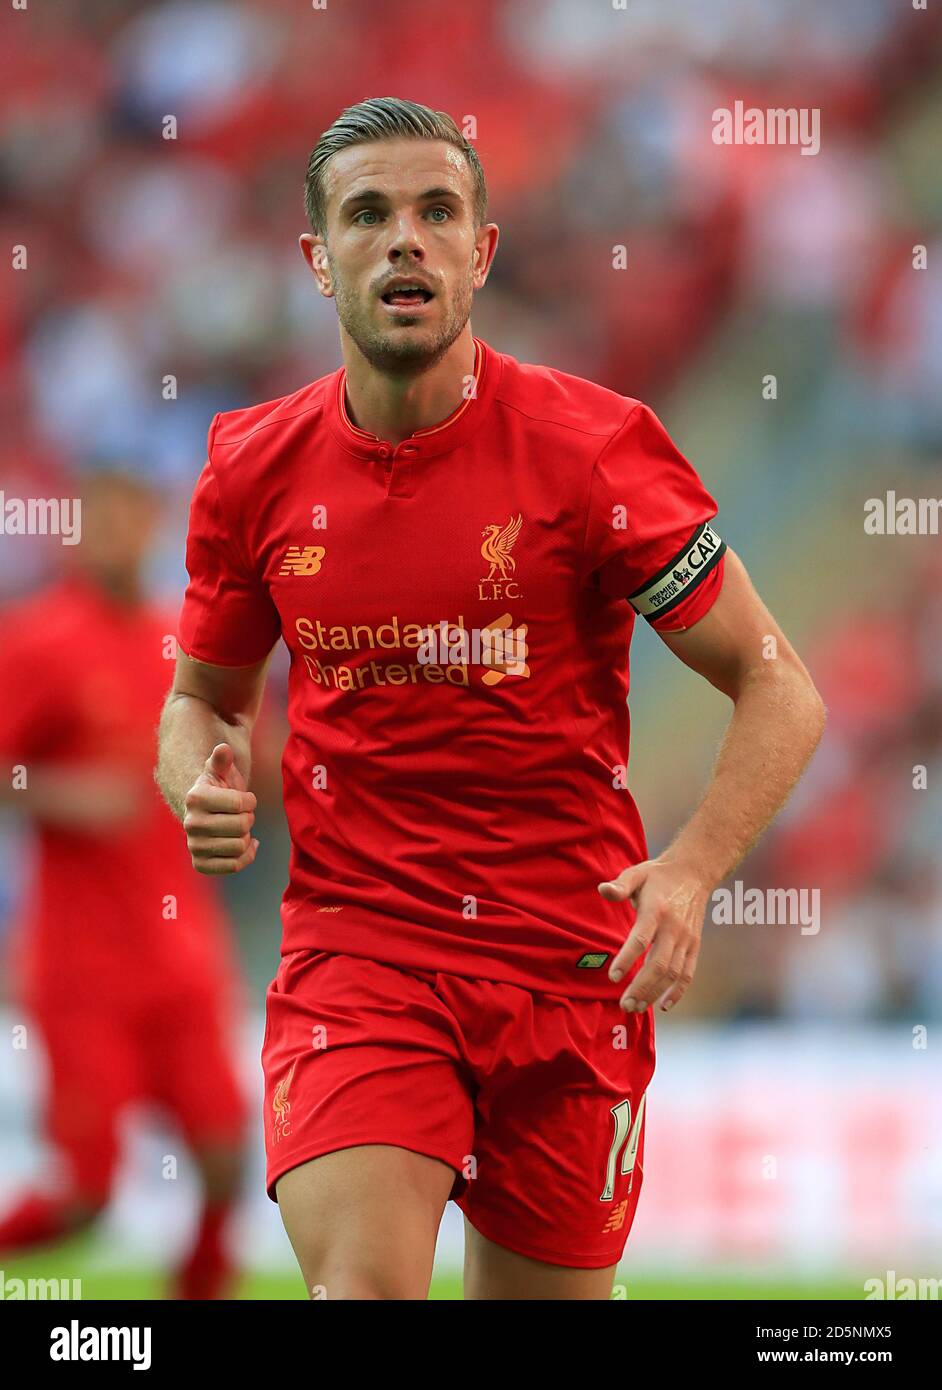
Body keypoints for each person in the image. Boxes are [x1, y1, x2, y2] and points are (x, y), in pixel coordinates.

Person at [156, 97, 825, 1301]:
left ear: (483, 251)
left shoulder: (596, 450)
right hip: (361, 955)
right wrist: (198, 769)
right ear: (319, 259)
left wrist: (688, 868)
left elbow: (780, 691)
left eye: (436, 211)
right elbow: (200, 698)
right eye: (368, 214)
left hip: (569, 973)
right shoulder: (251, 467)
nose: (404, 238)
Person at [0, 470, 250, 1299]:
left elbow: (248, 743)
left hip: (179, 958)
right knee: (88, 1194)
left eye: (134, 516)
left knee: (225, 1156)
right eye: (102, 516)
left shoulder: (175, 639)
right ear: (76, 528)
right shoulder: (39, 640)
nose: (120, 533)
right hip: (83, 968)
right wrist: (64, 794)